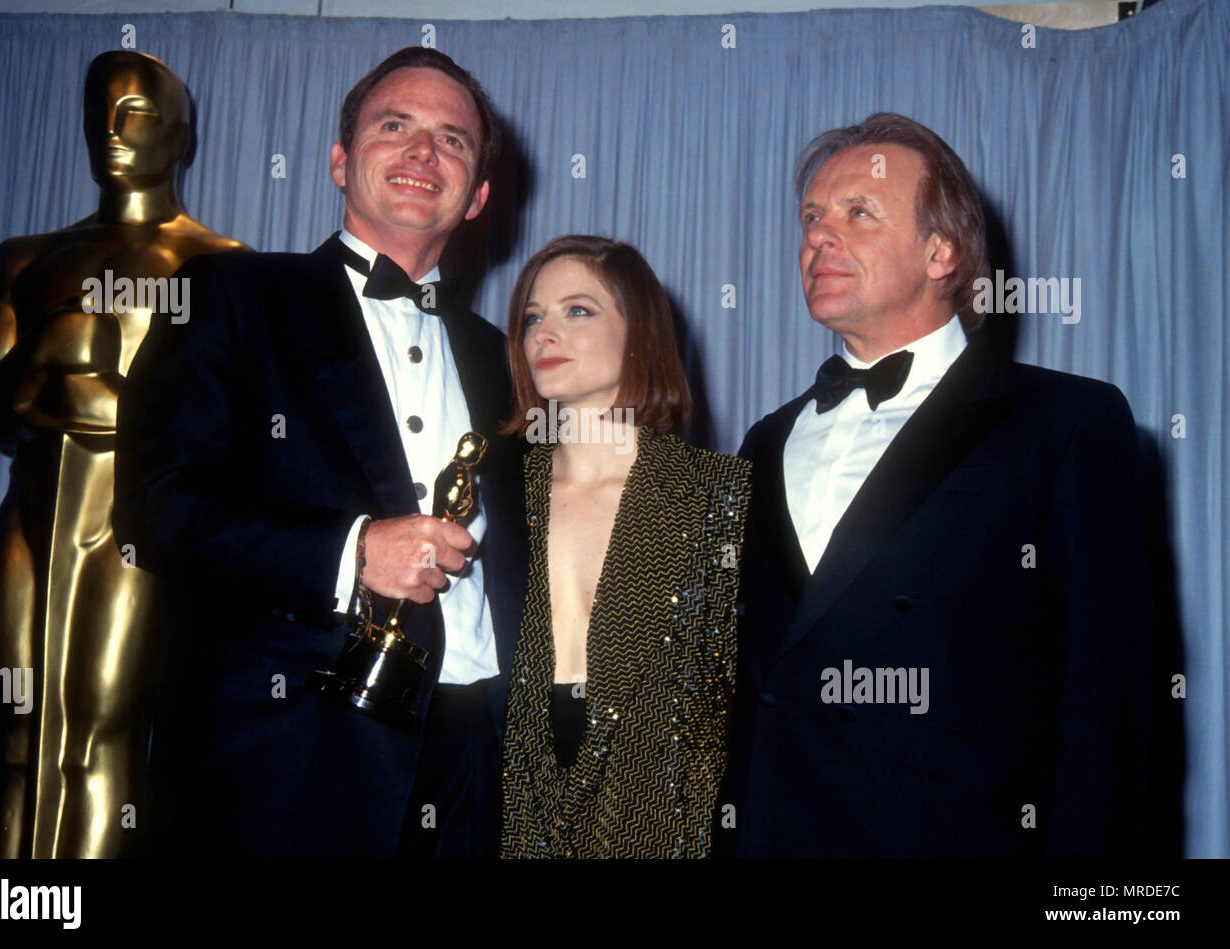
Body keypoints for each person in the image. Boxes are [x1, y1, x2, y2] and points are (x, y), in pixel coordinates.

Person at [113, 47, 526, 858]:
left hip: (473, 764)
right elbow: (157, 506)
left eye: (452, 139)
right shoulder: (226, 294)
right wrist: (351, 551)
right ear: (340, 160)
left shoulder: (503, 355)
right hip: (281, 765)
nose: (420, 152)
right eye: (394, 125)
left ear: (478, 194)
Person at [719, 113, 1153, 858]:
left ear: (941, 251)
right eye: (812, 217)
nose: (819, 236)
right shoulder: (763, 440)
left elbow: (1110, 712)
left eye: (859, 213)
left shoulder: (1068, 421)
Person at [0, 50, 244, 858]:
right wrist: (52, 356)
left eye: (137, 115)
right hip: (28, 510)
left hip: (135, 526)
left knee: (101, 733)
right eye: (100, 113)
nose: (113, 133)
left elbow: (211, 436)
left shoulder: (226, 270)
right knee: (17, 735)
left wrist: (75, 381)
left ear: (181, 135)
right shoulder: (24, 261)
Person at [497, 235, 749, 858]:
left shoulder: (722, 492)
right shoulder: (498, 492)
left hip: (661, 819)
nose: (544, 334)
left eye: (577, 310)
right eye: (532, 317)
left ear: (640, 330)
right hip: (514, 813)